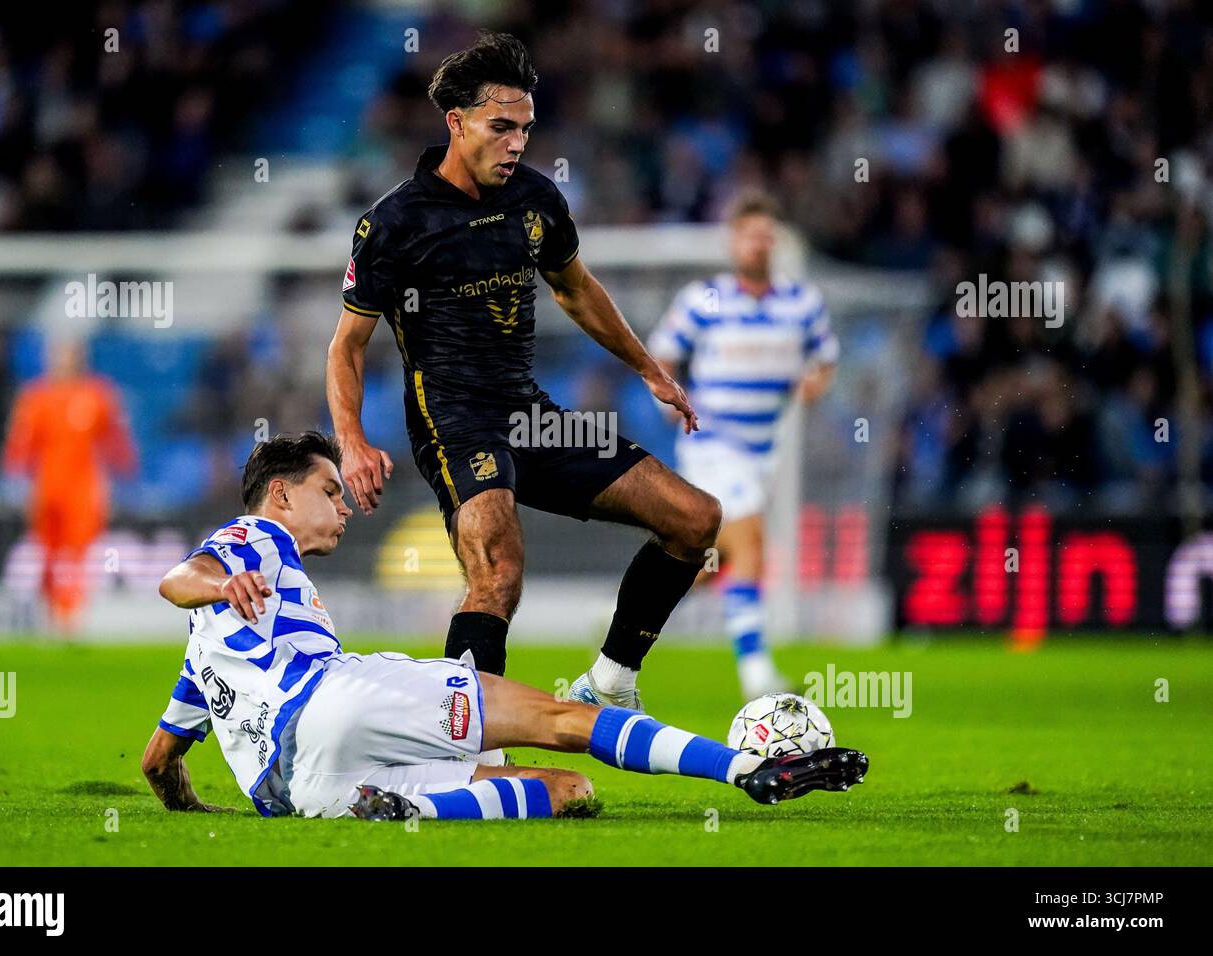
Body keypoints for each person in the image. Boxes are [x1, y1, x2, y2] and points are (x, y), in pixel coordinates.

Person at [141, 431, 869, 820]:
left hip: (302, 794)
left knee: (567, 792)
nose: (342, 505)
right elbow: (182, 578)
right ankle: (746, 768)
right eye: (328, 491)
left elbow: (157, 764)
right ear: (279, 495)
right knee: (566, 716)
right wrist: (219, 577)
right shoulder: (257, 539)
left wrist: (195, 806)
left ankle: (407, 809)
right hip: (336, 701)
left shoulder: (206, 662)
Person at [327, 32, 721, 723]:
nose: (516, 143)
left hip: (528, 413)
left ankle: (610, 681)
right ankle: (459, 745)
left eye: (526, 129)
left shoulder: (535, 200)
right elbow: (347, 347)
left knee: (695, 519)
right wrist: (352, 440)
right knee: (498, 575)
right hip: (454, 423)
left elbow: (576, 290)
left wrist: (650, 369)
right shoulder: (392, 225)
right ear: (456, 123)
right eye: (501, 127)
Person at [649, 193, 839, 698]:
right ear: (733, 242)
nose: (758, 244)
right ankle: (756, 672)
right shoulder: (704, 298)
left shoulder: (802, 303)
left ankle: (631, 609)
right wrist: (669, 395)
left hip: (762, 451)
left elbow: (825, 358)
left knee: (716, 561)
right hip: (711, 443)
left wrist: (817, 382)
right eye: (749, 234)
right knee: (752, 542)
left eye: (765, 235)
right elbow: (663, 353)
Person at [2, 337, 137, 632]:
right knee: (47, 552)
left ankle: (70, 614)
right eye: (58, 354)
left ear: (80, 358)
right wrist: (16, 480)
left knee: (78, 554)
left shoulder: (98, 394)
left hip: (84, 489)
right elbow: (21, 444)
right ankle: (50, 609)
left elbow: (114, 440)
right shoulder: (36, 397)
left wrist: (124, 473)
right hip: (47, 485)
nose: (64, 361)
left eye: (69, 354)